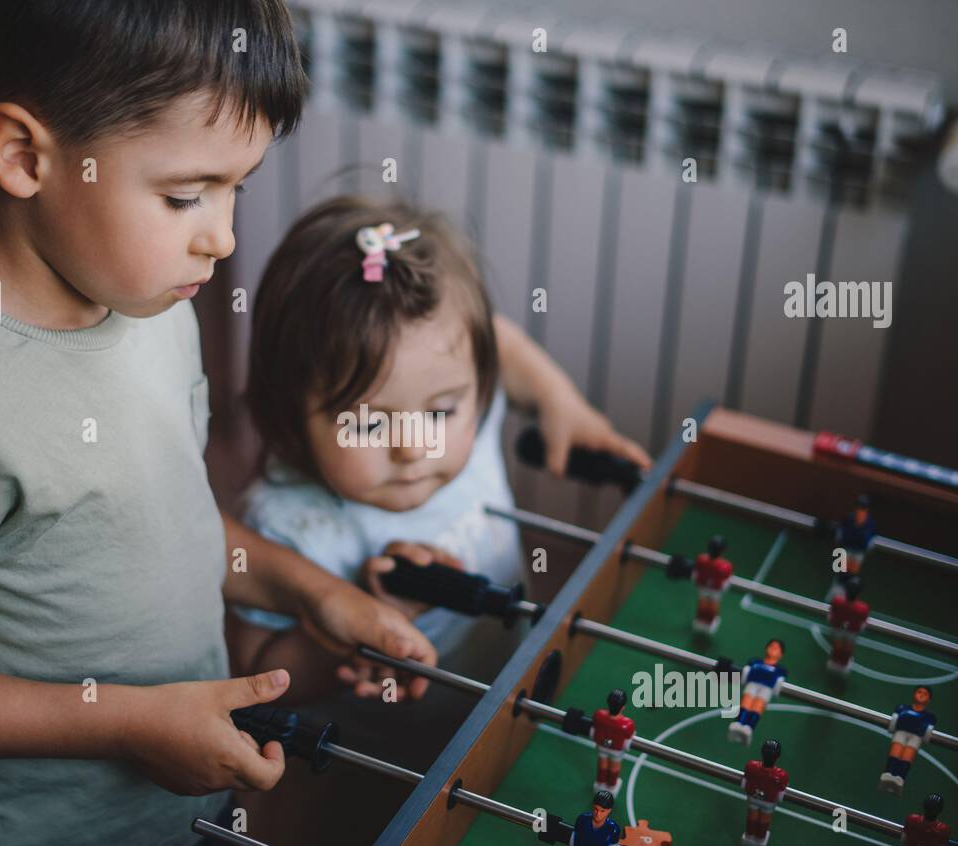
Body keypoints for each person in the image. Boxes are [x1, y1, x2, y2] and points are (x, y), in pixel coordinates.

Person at [0, 0, 439, 846]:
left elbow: (158, 521)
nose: (221, 238)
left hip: (184, 806)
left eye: (233, 188)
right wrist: (130, 722)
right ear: (24, 155)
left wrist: (309, 591)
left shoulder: (152, 299)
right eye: (183, 196)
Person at [228, 195, 650, 699]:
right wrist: (369, 613)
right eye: (366, 425)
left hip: (512, 681)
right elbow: (257, 669)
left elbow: (494, 336)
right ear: (290, 416)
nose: (414, 448)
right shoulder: (281, 524)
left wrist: (559, 399)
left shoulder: (465, 395)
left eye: (437, 412)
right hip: (405, 759)